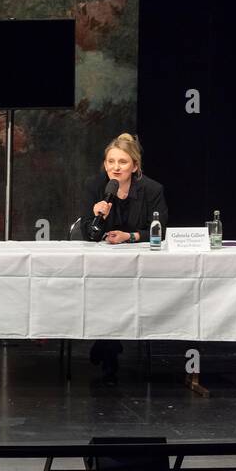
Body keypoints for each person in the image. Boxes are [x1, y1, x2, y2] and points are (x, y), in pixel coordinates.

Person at [81, 133, 168, 383]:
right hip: (102, 264)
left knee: (121, 290)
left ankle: (107, 345)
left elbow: (159, 230)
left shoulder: (152, 189)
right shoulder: (94, 186)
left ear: (135, 166)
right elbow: (88, 234)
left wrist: (129, 237)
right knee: (105, 289)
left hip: (138, 262)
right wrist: (97, 216)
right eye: (111, 162)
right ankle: (109, 346)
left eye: (123, 162)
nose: (116, 168)